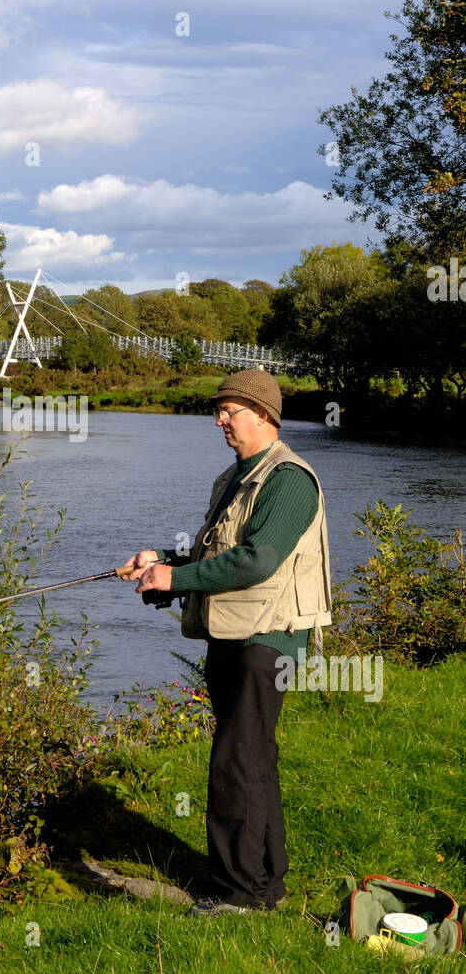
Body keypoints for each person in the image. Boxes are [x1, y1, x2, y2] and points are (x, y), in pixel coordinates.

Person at [122, 369, 332, 915]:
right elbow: (218, 560)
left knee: (236, 761)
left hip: (267, 640)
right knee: (252, 758)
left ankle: (236, 894)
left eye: (229, 411)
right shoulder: (235, 477)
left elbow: (257, 560)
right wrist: (161, 566)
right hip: (231, 635)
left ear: (262, 416)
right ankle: (264, 882)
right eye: (219, 411)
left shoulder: (289, 480)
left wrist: (177, 579)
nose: (219, 420)